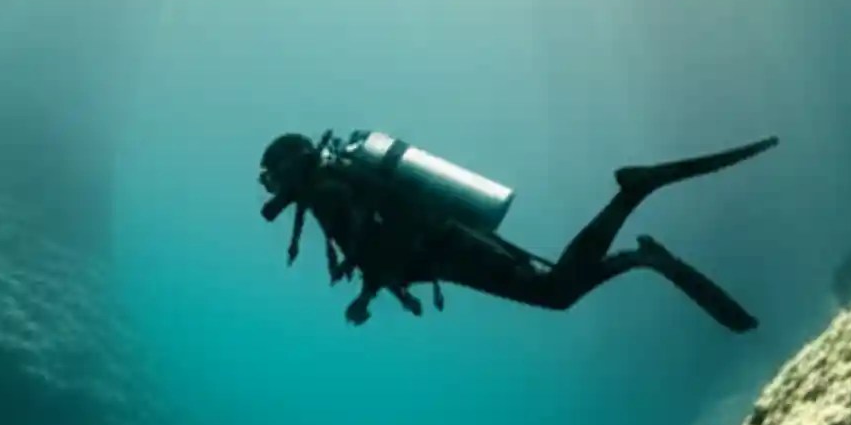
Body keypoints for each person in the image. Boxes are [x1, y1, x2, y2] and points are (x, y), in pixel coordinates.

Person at [259, 131, 778, 332]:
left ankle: (632, 198)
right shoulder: (334, 186)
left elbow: (389, 228)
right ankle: (640, 253)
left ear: (292, 168)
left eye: (273, 177)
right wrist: (371, 292)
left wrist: (376, 283)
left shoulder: (328, 191)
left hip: (454, 248)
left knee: (555, 293)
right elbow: (376, 238)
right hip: (452, 249)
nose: (272, 189)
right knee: (557, 291)